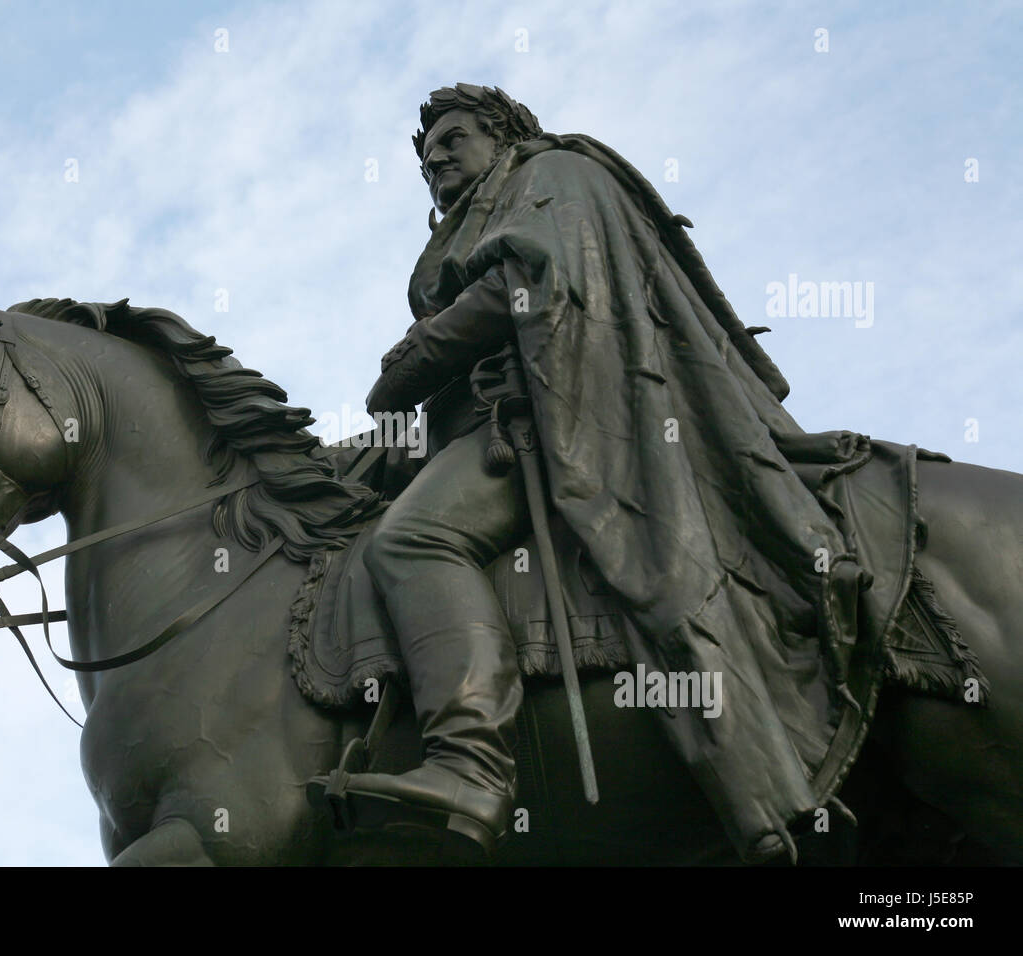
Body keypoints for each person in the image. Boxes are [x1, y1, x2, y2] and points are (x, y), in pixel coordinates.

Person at [324, 84, 869, 863]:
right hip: (478, 427)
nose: (435, 157)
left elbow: (524, 283)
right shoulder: (473, 218)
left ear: (503, 134)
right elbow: (437, 394)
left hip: (557, 423)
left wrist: (417, 353)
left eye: (453, 138)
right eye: (426, 154)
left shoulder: (552, 172)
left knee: (411, 541)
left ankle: (468, 765)